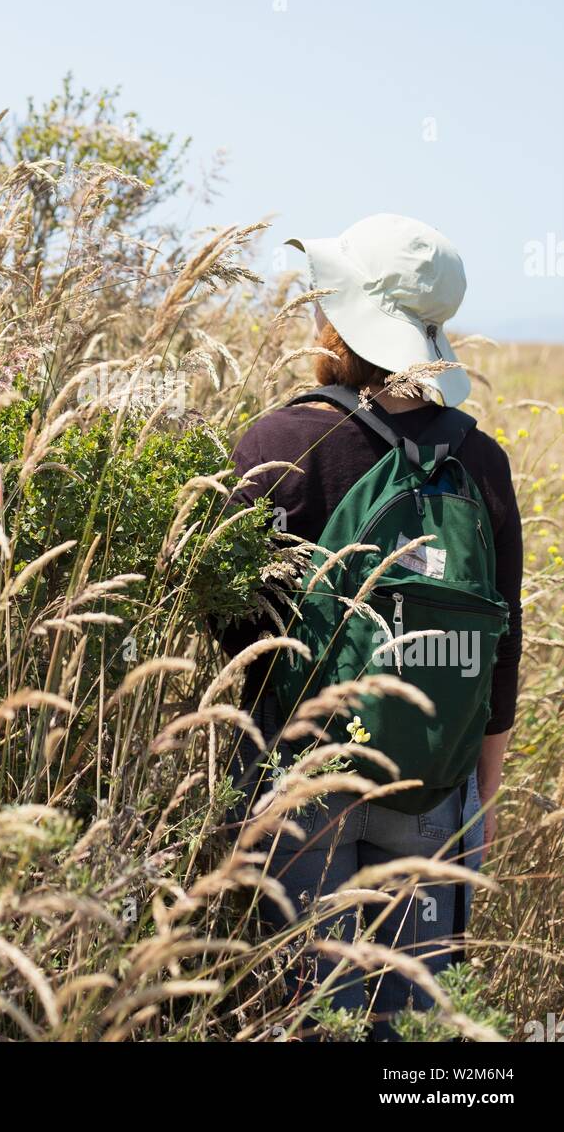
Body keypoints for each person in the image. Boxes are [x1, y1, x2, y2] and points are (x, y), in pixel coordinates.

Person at [218, 213, 522, 1040]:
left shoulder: (278, 443)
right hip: (435, 782)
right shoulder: (479, 460)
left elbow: (234, 635)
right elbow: (503, 653)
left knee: (309, 1019)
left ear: (338, 319)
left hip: (299, 782)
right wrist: (472, 805)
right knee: (409, 1038)